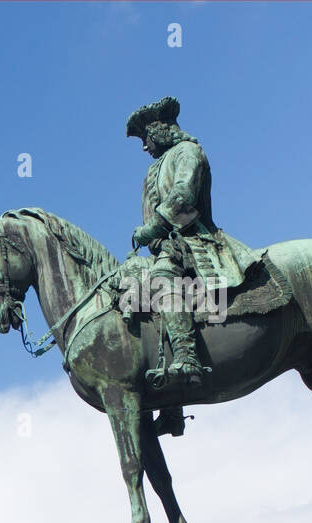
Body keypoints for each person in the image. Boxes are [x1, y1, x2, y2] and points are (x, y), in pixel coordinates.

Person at [125, 97, 257, 434]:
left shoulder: (188, 153)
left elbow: (182, 196)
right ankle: (170, 405)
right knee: (133, 288)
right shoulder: (157, 166)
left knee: (162, 277)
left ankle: (188, 360)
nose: (144, 147)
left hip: (193, 240)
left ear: (160, 129)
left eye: (145, 138)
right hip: (166, 246)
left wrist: (153, 228)